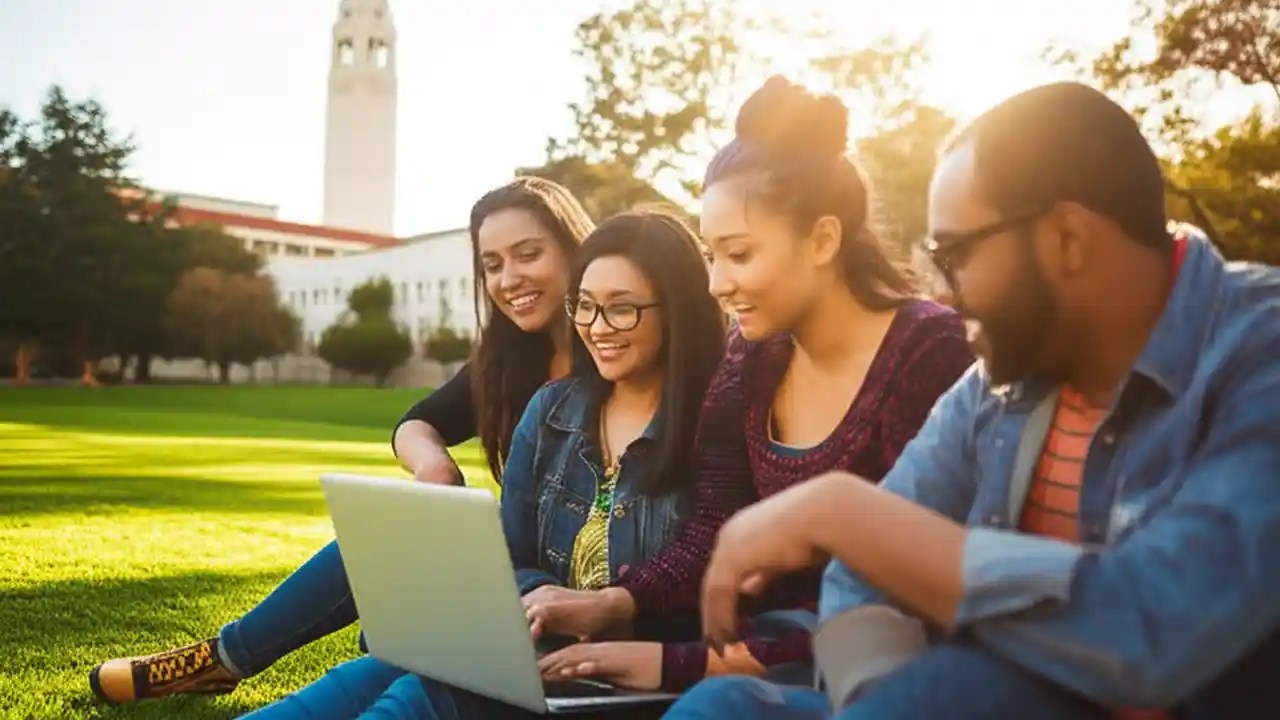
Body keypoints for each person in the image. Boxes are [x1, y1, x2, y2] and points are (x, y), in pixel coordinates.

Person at [667, 82, 1280, 719]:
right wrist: (878, 698)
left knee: (954, 687)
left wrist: (842, 512)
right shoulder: (1000, 381)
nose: (939, 287)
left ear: (1068, 240)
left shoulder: (1257, 352)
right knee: (725, 705)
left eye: (955, 254)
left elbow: (1158, 632)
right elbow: (860, 580)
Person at [519, 77, 974, 692]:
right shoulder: (751, 357)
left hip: (867, 669)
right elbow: (710, 531)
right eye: (711, 256)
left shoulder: (927, 352)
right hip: (750, 656)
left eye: (739, 254)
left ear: (822, 239)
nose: (715, 285)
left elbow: (905, 597)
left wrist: (677, 663)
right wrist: (614, 603)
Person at [89, 176, 596, 703]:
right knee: (397, 527)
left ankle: (248, 656)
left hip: (563, 597)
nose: (509, 278)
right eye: (492, 265)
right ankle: (222, 659)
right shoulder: (509, 359)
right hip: (513, 580)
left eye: (528, 254)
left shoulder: (615, 356)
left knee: (397, 647)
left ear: (574, 249)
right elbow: (417, 422)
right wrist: (434, 468)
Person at [237, 209, 728, 718]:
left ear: (677, 310)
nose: (597, 328)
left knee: (419, 698)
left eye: (622, 309)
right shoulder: (551, 412)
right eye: (584, 306)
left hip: (625, 682)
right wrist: (544, 603)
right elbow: (510, 557)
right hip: (532, 650)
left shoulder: (717, 426)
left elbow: (709, 578)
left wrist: (610, 614)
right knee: (355, 682)